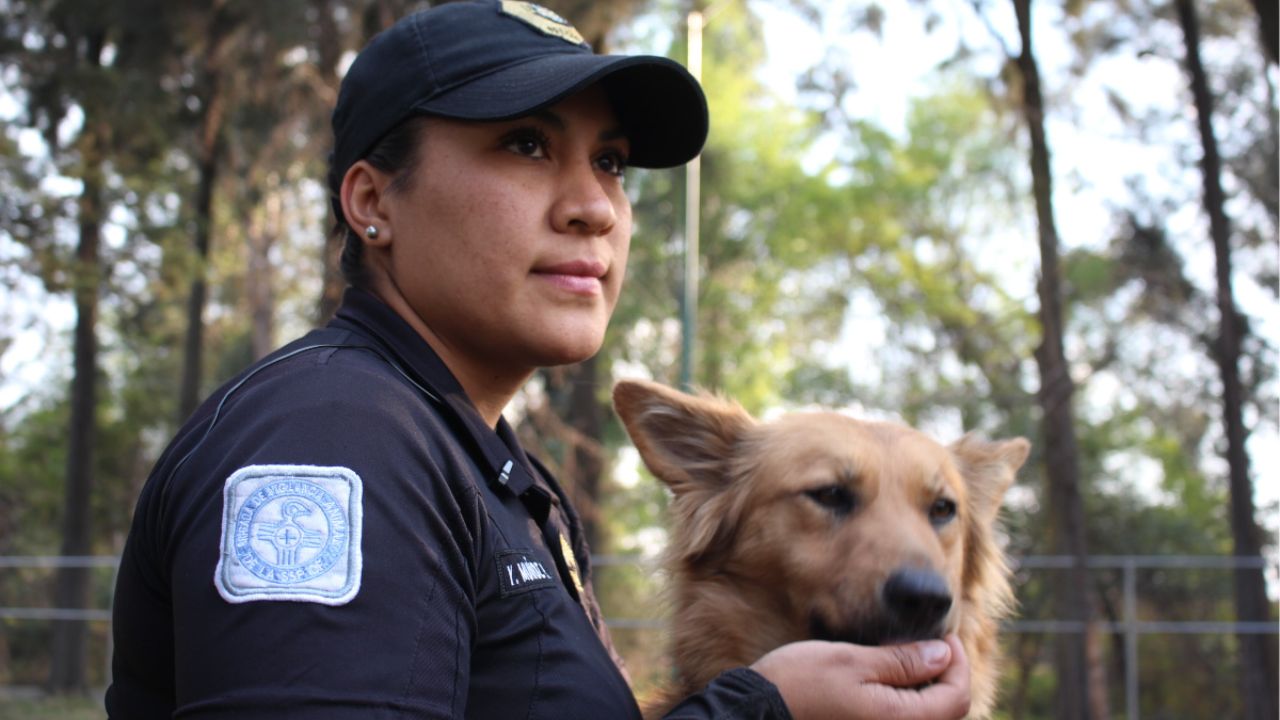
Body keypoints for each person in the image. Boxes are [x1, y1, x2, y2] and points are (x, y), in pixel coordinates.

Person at [105, 2, 972, 718]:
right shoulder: (335, 434)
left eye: (611, 162)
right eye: (525, 144)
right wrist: (762, 711)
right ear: (373, 201)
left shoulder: (483, 462)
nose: (597, 207)